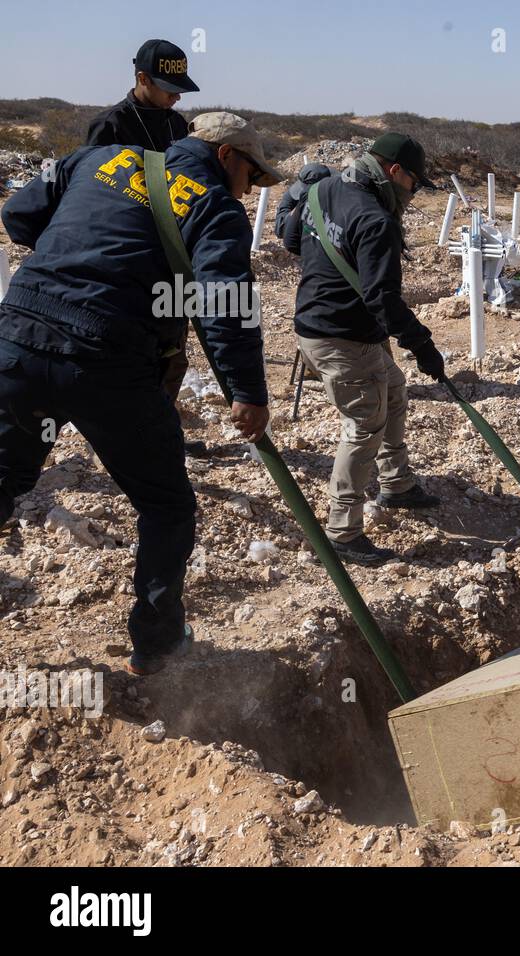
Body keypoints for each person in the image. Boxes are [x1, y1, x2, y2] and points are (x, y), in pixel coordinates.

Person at [0, 111, 283, 676]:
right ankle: (157, 644)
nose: (250, 192)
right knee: (167, 506)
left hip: (17, 337)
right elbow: (224, 304)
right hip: (108, 360)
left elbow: (18, 215)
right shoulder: (212, 206)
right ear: (226, 155)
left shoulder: (97, 158)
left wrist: (71, 254)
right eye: (251, 177)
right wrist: (249, 392)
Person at [282, 133, 444, 566]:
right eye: (413, 182)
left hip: (319, 326)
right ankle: (343, 531)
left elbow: (292, 239)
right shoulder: (377, 221)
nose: (413, 193)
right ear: (394, 172)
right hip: (342, 339)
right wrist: (422, 344)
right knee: (363, 425)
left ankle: (396, 485)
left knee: (393, 389)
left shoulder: (323, 188)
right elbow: (383, 300)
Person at [86, 39, 206, 447]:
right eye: (169, 87)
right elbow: (91, 196)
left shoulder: (177, 125)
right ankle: (123, 442)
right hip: (125, 263)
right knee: (128, 355)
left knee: (172, 353)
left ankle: (160, 436)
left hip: (171, 259)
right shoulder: (110, 126)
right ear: (141, 79)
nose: (176, 96)